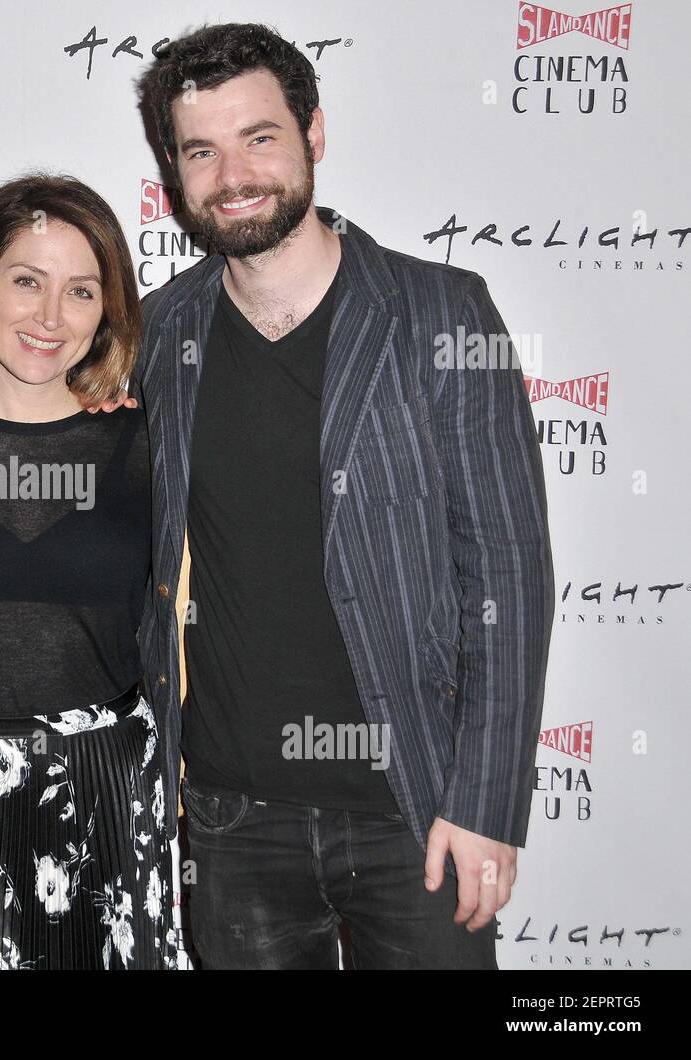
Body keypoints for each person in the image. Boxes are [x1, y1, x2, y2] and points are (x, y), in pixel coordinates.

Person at [133, 23, 553, 969]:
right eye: (202, 150)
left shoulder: (441, 311)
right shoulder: (158, 334)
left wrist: (485, 802)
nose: (233, 173)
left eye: (260, 137)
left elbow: (510, 568)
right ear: (173, 170)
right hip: (232, 817)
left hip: (415, 811)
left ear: (314, 134)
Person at [0, 174, 179, 970]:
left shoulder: (148, 446)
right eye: (26, 280)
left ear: (107, 310)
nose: (50, 318)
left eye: (81, 291)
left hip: (110, 786)